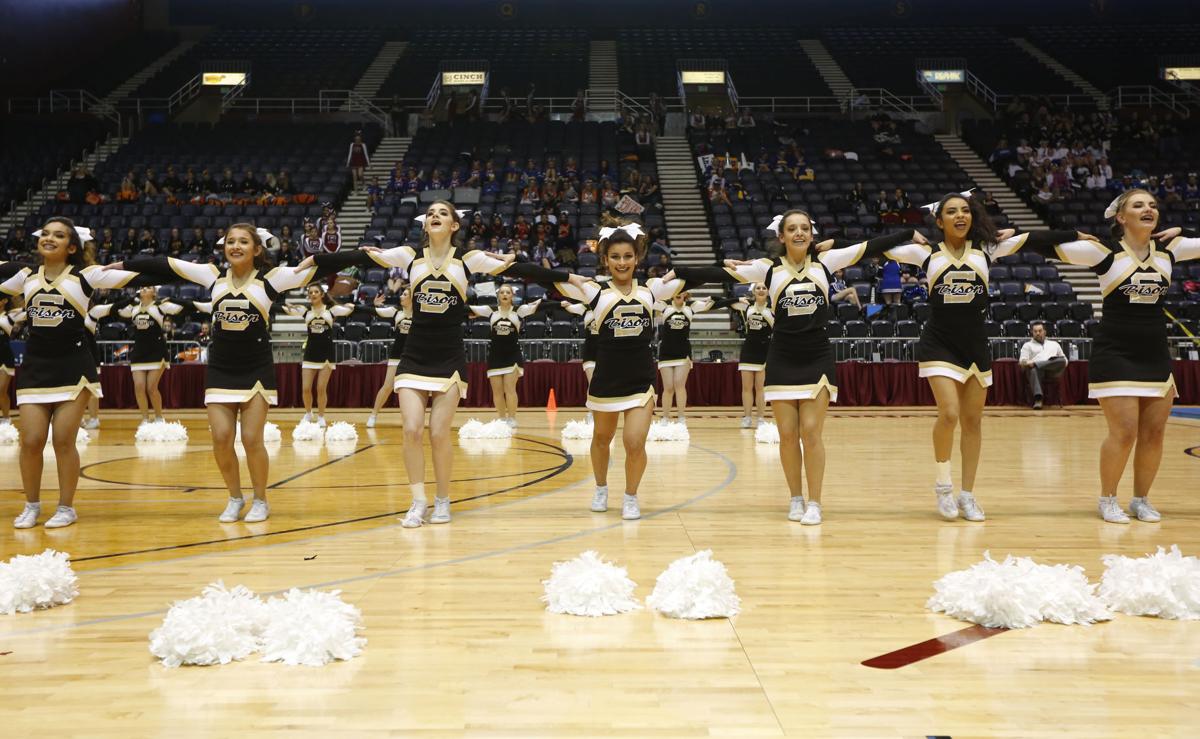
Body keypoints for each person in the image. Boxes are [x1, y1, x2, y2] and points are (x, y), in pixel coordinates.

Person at [296, 201, 575, 528]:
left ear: (455, 225)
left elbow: (521, 270)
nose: (435, 217)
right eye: (430, 214)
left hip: (449, 355)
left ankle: (443, 498)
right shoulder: (407, 255)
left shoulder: (469, 259)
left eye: (443, 213)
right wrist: (317, 259)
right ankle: (418, 501)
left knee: (439, 433)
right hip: (414, 354)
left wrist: (565, 276)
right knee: (412, 430)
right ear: (425, 226)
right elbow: (361, 255)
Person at [672, 215, 922, 524]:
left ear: (811, 234)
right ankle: (795, 498)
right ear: (781, 236)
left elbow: (869, 246)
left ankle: (815, 502)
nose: (799, 233)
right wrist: (678, 272)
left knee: (811, 433)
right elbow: (714, 272)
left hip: (817, 355)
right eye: (792, 229)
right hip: (782, 356)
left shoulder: (826, 261)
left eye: (804, 228)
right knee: (788, 436)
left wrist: (908, 231)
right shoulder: (767, 268)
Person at [111, 224, 350, 524]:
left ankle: (261, 499)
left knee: (252, 439)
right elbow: (167, 264)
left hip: (256, 368)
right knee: (222, 438)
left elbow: (325, 266)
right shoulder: (212, 276)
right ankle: (235, 498)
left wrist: (335, 259)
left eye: (243, 242)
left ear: (257, 249)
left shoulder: (271, 280)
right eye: (230, 242)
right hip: (221, 369)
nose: (235, 246)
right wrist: (124, 264)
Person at [877, 193, 1094, 523]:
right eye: (952, 212)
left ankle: (968, 494)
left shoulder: (987, 249)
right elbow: (870, 248)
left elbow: (1034, 239)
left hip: (975, 344)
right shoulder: (925, 254)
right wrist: (905, 234)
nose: (960, 216)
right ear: (939, 221)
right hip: (938, 342)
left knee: (973, 422)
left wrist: (1075, 235)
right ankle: (943, 486)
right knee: (949, 413)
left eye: (965, 210)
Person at [1016, 190, 1200, 523]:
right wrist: (1071, 234)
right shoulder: (1104, 253)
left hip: (1155, 354)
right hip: (1115, 352)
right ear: (1121, 217)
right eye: (1139, 205)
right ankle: (1108, 497)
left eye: (1153, 206)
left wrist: (1185, 232)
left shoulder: (1171, 250)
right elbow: (1038, 243)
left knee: (1154, 433)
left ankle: (1141, 499)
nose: (1149, 209)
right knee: (1125, 431)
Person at [1, 218, 160, 529]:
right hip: (35, 368)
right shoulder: (25, 276)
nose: (49, 239)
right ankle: (32, 505)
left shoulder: (86, 276)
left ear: (72, 246)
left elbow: (147, 273)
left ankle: (65, 507)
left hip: (73, 367)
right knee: (31, 440)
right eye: (45, 234)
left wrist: (125, 262)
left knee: (63, 440)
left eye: (58, 236)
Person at [554, 218, 689, 521]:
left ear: (637, 258)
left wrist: (677, 272)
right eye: (615, 256)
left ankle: (631, 495)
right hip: (606, 379)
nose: (622, 262)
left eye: (628, 256)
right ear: (605, 260)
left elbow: (696, 277)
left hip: (640, 379)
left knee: (634, 441)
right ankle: (601, 487)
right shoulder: (595, 293)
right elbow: (539, 275)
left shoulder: (651, 291)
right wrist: (568, 275)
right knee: (602, 438)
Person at [469, 285, 542, 427]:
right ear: (498, 295)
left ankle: (512, 418)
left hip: (512, 355)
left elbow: (541, 306)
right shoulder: (490, 311)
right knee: (497, 391)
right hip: (495, 356)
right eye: (502, 292)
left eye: (508, 292)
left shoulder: (519, 311)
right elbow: (468, 309)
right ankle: (502, 419)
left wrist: (560, 303)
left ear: (512, 296)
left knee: (509, 388)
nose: (505, 294)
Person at [117, 286, 192, 423]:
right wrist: (129, 299)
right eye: (142, 287)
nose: (144, 289)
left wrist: (171, 298)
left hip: (157, 351)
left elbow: (183, 308)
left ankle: (158, 417)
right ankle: (145, 419)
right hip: (139, 352)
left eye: (148, 287)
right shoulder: (133, 308)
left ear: (154, 292)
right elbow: (117, 310)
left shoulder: (160, 307)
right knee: (139, 387)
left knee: (151, 387)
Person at [287, 284, 354, 427]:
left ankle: (321, 416)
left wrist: (351, 306)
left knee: (321, 388)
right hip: (310, 353)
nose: (313, 294)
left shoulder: (331, 311)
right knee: (305, 388)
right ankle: (308, 413)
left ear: (322, 294)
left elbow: (348, 310)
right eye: (310, 292)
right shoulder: (305, 312)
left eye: (316, 292)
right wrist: (284, 304)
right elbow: (287, 310)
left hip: (326, 354)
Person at [653, 292, 719, 425]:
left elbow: (717, 304)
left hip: (683, 353)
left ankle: (681, 417)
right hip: (666, 353)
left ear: (686, 294)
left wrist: (713, 297)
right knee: (668, 387)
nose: (678, 292)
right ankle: (665, 417)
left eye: (682, 290)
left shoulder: (692, 307)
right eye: (676, 289)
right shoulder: (664, 306)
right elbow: (646, 298)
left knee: (679, 385)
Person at [365, 287, 413, 428]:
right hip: (397, 355)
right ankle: (373, 415)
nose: (401, 297)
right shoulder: (395, 312)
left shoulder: (421, 315)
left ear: (413, 297)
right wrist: (371, 304)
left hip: (414, 355)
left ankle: (411, 419)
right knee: (387, 386)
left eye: (405, 294)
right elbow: (372, 311)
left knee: (412, 389)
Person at [730, 284, 772, 428]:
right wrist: (739, 298)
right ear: (753, 292)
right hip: (748, 350)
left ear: (768, 292)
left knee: (760, 387)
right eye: (758, 288)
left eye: (764, 288)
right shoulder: (746, 307)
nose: (761, 290)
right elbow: (727, 301)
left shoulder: (772, 310)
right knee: (746, 387)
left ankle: (761, 418)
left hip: (764, 351)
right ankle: (747, 417)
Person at [1019, 321, 1068, 410]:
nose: (1038, 333)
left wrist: (1038, 363)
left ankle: (1037, 364)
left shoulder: (1054, 344)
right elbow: (1022, 361)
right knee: (1033, 370)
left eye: (1040, 331)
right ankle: (1038, 400)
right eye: (1035, 331)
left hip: (1052, 371)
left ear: (1044, 332)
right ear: (1032, 333)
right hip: (1037, 372)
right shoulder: (1027, 345)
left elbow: (1065, 361)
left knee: (1061, 360)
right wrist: (1029, 363)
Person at [0, 296, 24, 424]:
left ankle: (6, 418)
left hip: (5, 357)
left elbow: (26, 310)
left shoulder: (10, 316)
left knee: (1, 389)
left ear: (4, 301)